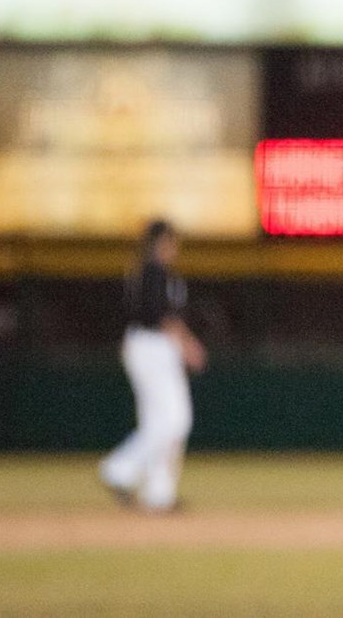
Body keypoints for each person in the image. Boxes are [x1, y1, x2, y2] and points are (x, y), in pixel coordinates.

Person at [98, 219, 205, 513]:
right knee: (175, 420)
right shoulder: (153, 271)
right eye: (170, 241)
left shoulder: (145, 271)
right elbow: (160, 315)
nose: (174, 247)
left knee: (157, 422)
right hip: (152, 346)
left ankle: (159, 494)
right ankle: (119, 468)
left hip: (146, 346)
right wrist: (188, 344)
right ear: (160, 242)